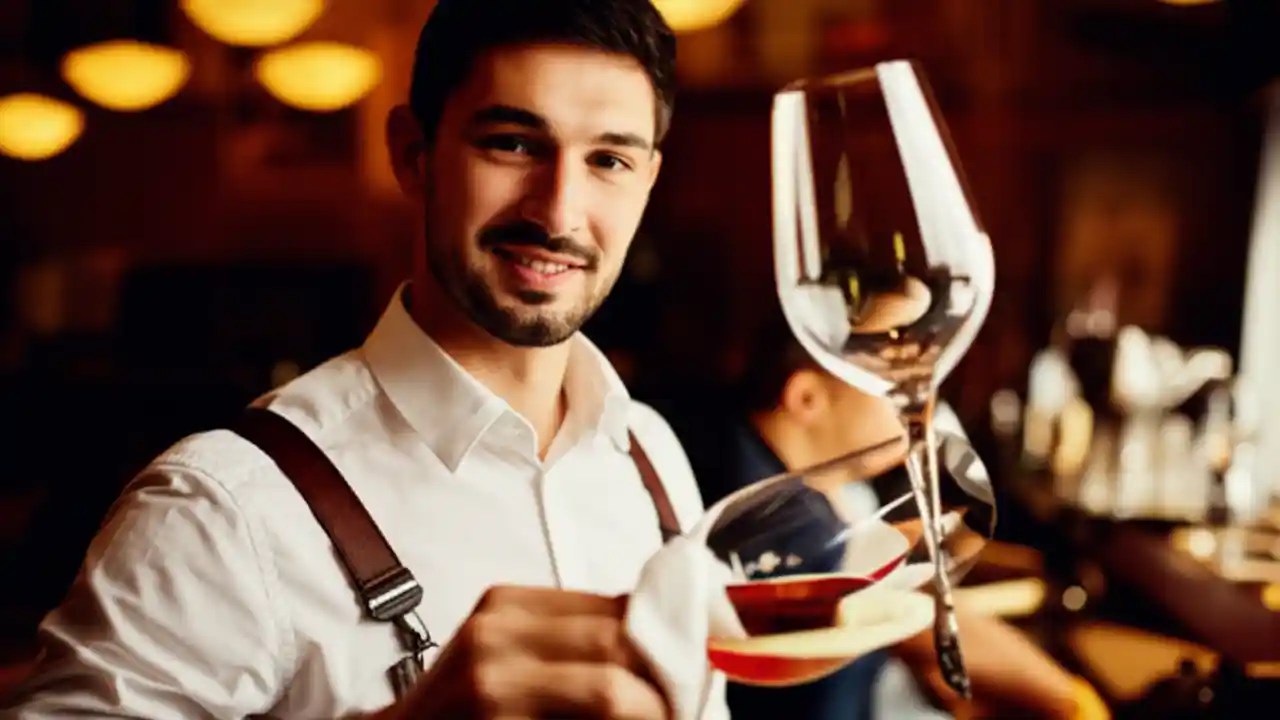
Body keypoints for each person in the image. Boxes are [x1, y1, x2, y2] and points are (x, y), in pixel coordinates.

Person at [2, 2, 730, 718]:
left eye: (608, 160)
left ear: (648, 180)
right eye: (512, 144)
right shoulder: (226, 504)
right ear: (413, 154)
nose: (558, 212)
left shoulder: (649, 455)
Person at [672, 310, 1099, 720]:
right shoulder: (772, 518)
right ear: (807, 398)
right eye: (899, 383)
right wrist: (1070, 700)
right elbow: (914, 622)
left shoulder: (775, 466)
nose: (925, 404)